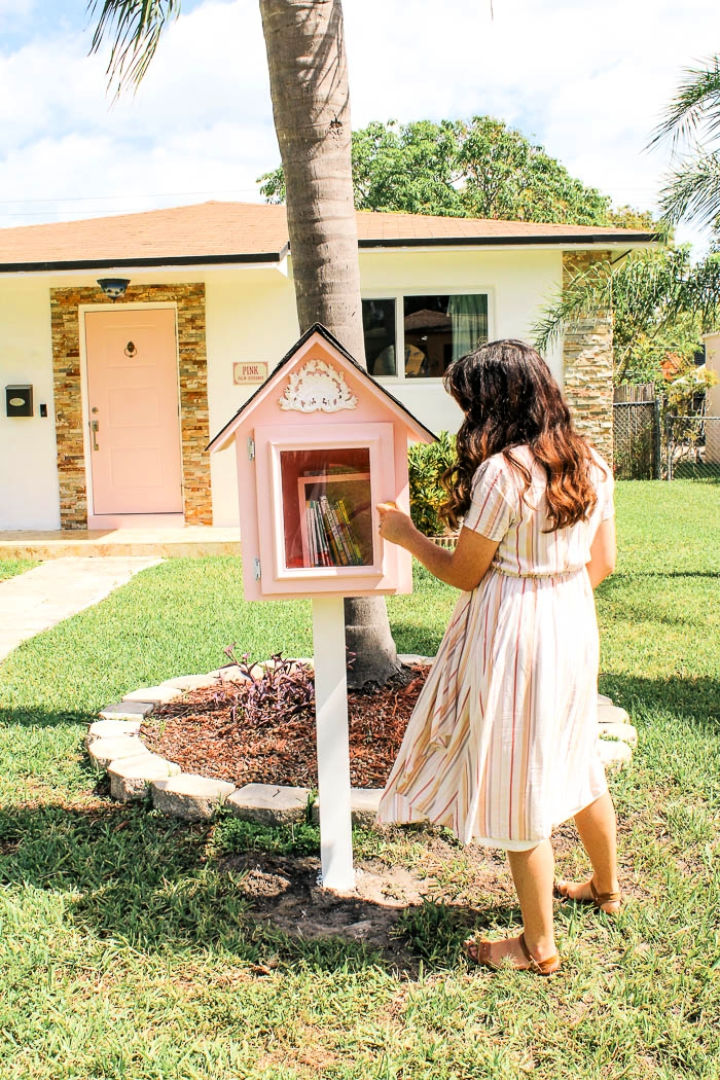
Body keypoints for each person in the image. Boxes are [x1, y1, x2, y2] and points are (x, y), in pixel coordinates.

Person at [376, 339, 620, 977]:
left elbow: (463, 572)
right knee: (577, 754)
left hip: (517, 631)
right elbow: (605, 564)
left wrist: (406, 537)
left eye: (468, 404)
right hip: (573, 617)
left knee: (519, 782)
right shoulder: (591, 462)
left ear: (493, 404)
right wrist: (553, 594)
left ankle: (537, 947)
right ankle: (605, 887)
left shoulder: (503, 474)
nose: (464, 419)